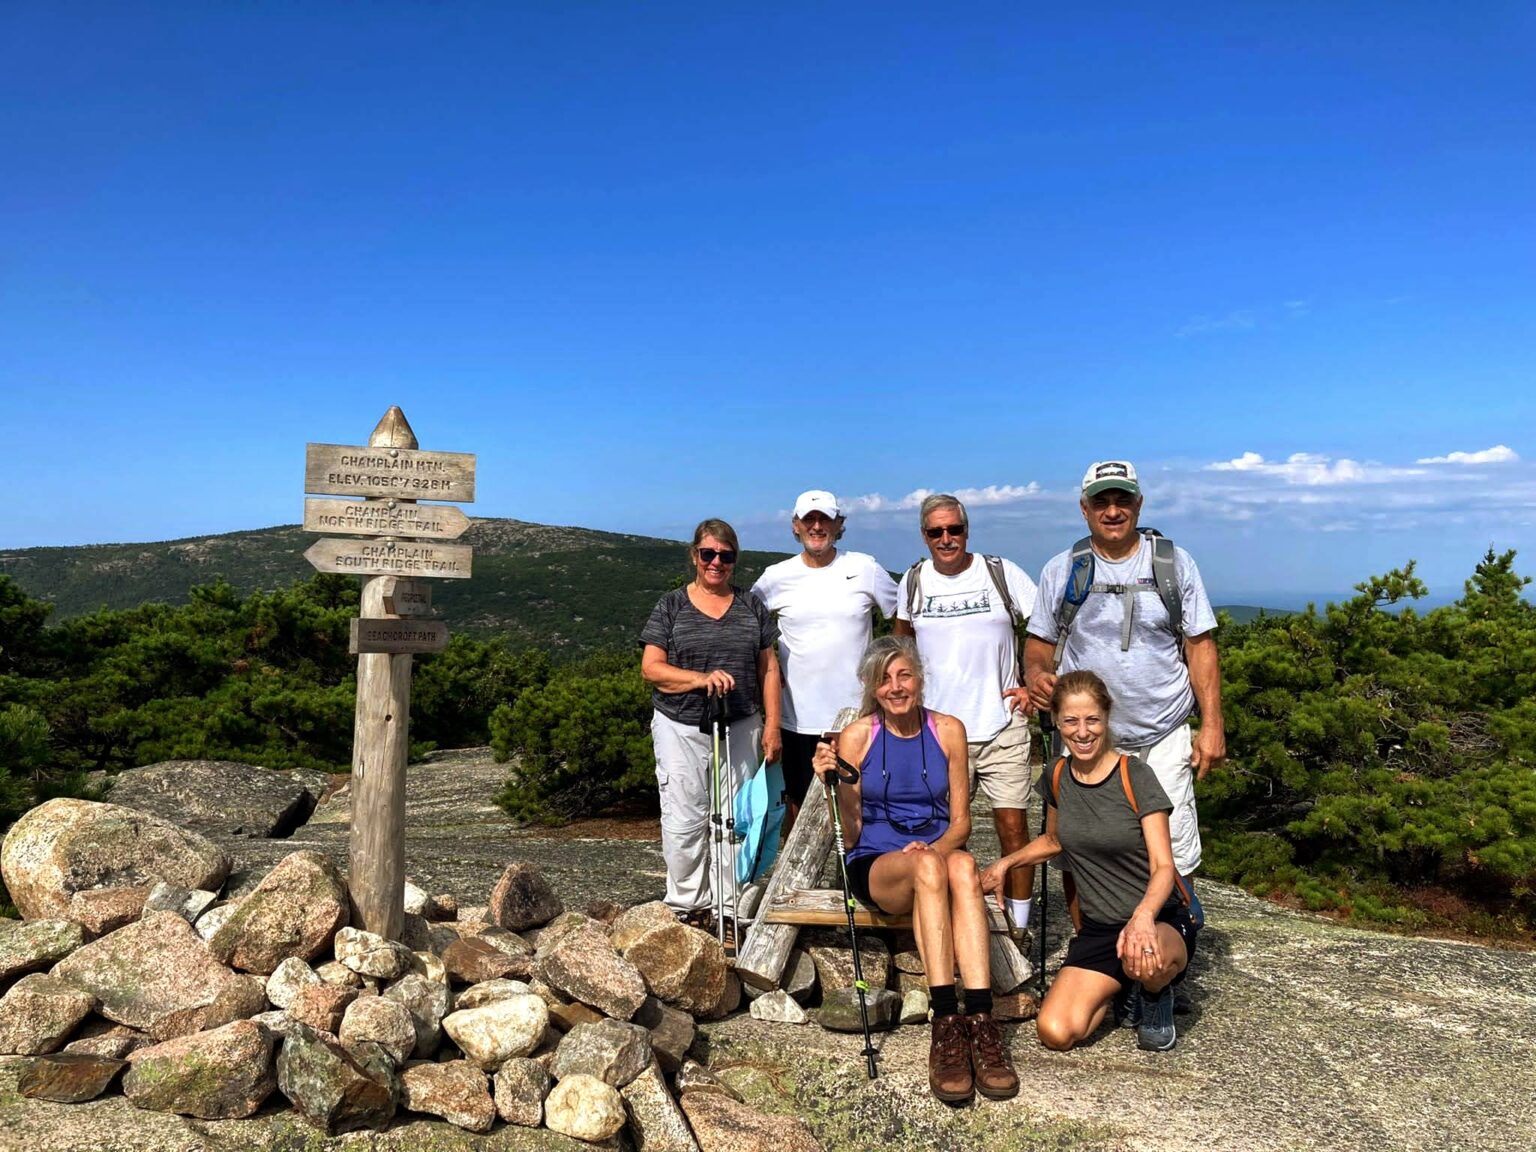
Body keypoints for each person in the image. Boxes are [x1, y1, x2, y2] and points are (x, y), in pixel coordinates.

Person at [813, 635, 1019, 1103]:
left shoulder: (948, 730)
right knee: (934, 867)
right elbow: (850, 832)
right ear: (872, 687)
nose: (895, 686)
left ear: (920, 679)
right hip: (876, 863)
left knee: (963, 865)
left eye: (904, 675)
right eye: (884, 679)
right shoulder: (858, 736)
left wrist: (932, 848)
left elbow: (962, 823)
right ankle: (946, 1021)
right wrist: (832, 780)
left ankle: (979, 1020)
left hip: (937, 856)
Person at [1023, 461, 1224, 920]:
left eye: (1122, 500)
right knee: (1078, 849)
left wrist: (1212, 725)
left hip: (1162, 731)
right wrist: (1036, 675)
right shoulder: (1063, 569)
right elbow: (1039, 643)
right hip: (1086, 738)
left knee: (1173, 851)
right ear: (1084, 509)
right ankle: (1090, 947)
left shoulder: (1173, 564)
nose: (1112, 511)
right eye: (1101, 502)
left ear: (1139, 504)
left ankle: (1168, 950)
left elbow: (1201, 646)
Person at [981, 670, 1197, 1052]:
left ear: (1107, 718)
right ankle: (1123, 985)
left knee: (1147, 959)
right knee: (1055, 1031)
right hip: (1100, 929)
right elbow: (1055, 839)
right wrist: (1006, 863)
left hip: (1157, 918)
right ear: (1057, 722)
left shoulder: (1135, 775)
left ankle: (1153, 993)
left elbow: (1164, 865)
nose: (1082, 732)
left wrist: (1143, 917)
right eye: (1071, 721)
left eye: (1092, 720)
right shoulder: (1058, 774)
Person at [893, 493, 1040, 942]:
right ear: (924, 535)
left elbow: (1045, 629)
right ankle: (944, 922)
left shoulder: (1000, 573)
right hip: (937, 731)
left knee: (1013, 827)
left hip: (1001, 722)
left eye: (953, 529)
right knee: (939, 830)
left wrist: (1034, 683)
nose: (946, 538)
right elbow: (901, 645)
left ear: (966, 530)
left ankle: (1017, 929)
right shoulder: (914, 580)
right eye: (936, 531)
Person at [641, 519, 782, 942]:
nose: (716, 562)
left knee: (736, 819)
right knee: (684, 819)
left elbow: (769, 668)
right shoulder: (671, 605)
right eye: (708, 554)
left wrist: (772, 725)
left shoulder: (750, 606)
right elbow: (652, 668)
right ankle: (688, 905)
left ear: (735, 559)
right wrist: (700, 679)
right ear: (694, 556)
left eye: (726, 555)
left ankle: (729, 908)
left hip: (741, 724)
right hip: (681, 726)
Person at [750, 490, 898, 832]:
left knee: (863, 807)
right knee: (800, 809)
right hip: (797, 718)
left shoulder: (865, 568)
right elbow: (747, 625)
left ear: (838, 524)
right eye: (809, 519)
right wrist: (767, 666)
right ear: (796, 526)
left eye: (825, 519)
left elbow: (902, 616)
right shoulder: (776, 576)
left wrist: (889, 671)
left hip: (858, 715)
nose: (817, 526)